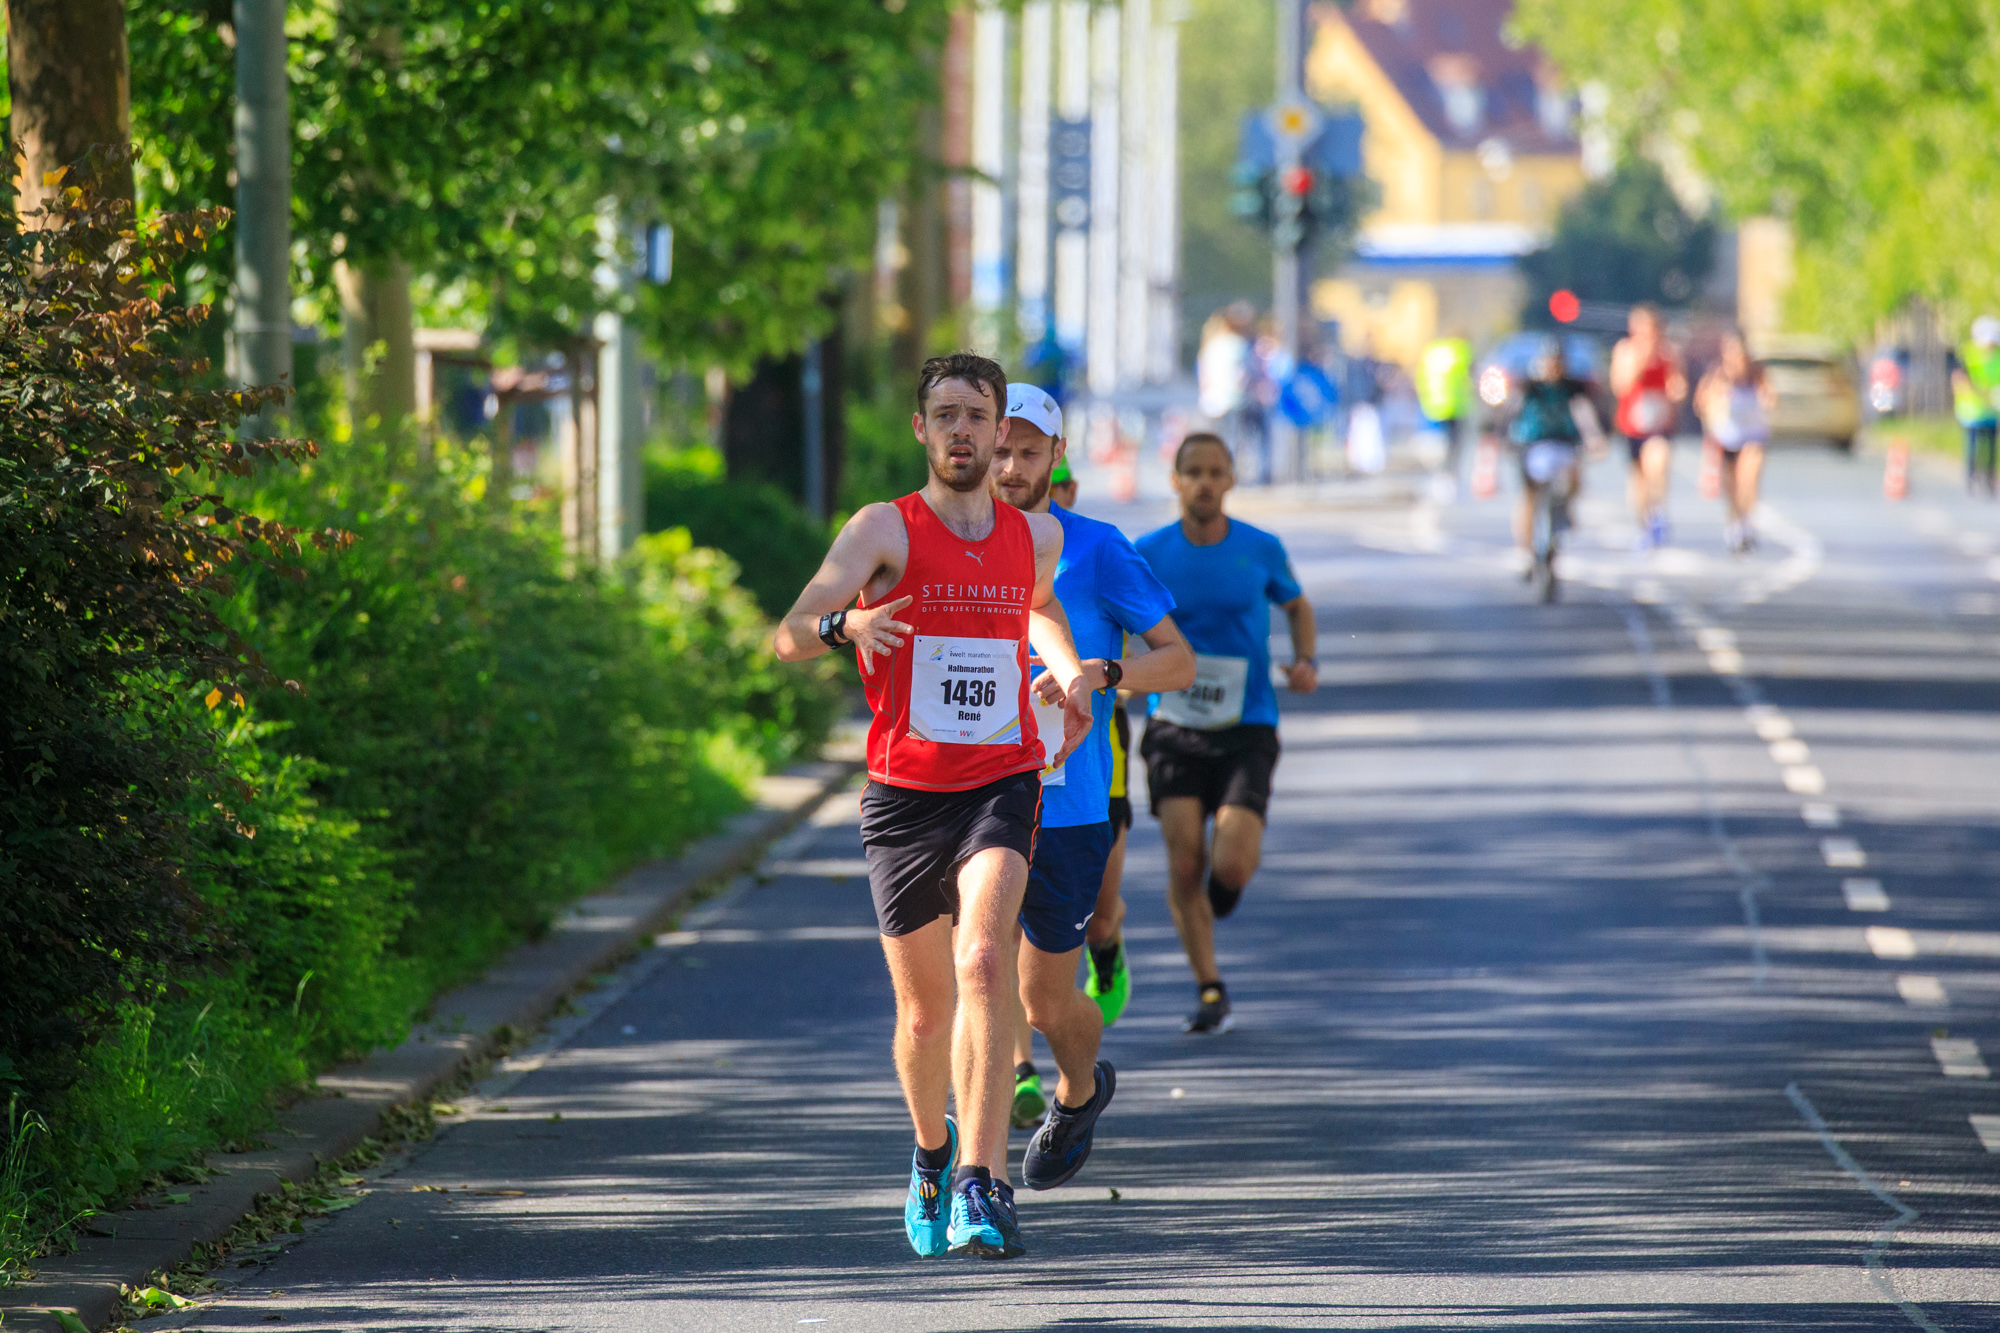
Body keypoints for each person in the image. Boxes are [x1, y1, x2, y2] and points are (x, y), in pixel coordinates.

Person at [772, 353, 1093, 1262]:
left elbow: (1034, 613)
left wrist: (1066, 677)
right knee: (922, 1015)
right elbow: (789, 631)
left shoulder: (1035, 538)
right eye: (944, 414)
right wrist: (848, 626)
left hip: (1001, 779)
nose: (961, 430)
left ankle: (982, 1184)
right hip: (905, 795)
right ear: (921, 429)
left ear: (1002, 433)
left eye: (976, 415)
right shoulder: (884, 528)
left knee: (987, 958)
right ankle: (930, 1148)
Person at [991, 387, 1193, 1135]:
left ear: (1058, 454)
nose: (1009, 467)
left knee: (1043, 998)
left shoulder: (1099, 547)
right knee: (980, 966)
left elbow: (1178, 661)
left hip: (1070, 800)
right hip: (970, 796)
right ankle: (982, 1166)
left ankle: (1077, 1089)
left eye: (1028, 452)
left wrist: (1106, 672)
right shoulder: (945, 542)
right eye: (999, 448)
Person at [1136, 434, 1317, 1034]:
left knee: (1231, 866)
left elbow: (1296, 605)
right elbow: (1111, 612)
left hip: (1247, 726)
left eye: (1216, 472)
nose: (1205, 483)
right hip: (1175, 725)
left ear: (1232, 480)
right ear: (1176, 481)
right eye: (1194, 472)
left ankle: (1214, 902)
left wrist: (1306, 659)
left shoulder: (1261, 548)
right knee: (1185, 864)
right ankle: (1209, 986)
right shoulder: (1149, 552)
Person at [1505, 336, 1600, 561]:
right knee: (1529, 496)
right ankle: (1525, 549)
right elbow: (1511, 410)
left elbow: (1584, 413)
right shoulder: (1529, 386)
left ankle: (1565, 510)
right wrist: (1503, 435)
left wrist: (1594, 437)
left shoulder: (1572, 386)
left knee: (1575, 476)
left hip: (1563, 442)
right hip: (1532, 444)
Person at [1609, 304, 1687, 548]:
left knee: (1659, 461)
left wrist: (1677, 392)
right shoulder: (1626, 351)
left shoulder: (1669, 352)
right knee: (1638, 480)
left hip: (1659, 424)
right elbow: (1620, 384)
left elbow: (1678, 383)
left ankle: (1658, 512)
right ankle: (1644, 524)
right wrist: (1641, 362)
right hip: (1633, 425)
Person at [1695, 330, 1775, 552]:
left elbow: (1771, 397)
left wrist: (1767, 399)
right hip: (1727, 438)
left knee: (1748, 479)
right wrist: (1715, 402)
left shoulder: (1756, 373)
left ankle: (1746, 523)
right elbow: (1700, 403)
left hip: (1753, 436)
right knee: (1732, 488)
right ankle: (1735, 522)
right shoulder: (1718, 375)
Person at [1417, 331, 1476, 494]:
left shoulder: (1432, 351)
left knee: (1437, 445)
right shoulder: (1462, 351)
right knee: (1454, 445)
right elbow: (1472, 375)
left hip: (1433, 404)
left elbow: (1421, 376)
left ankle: (1439, 477)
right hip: (1456, 405)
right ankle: (1451, 476)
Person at [1952, 316, 2000, 496]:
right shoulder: (1968, 353)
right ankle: (1971, 478)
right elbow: (1959, 379)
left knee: (1992, 447)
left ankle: (1989, 479)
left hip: (1993, 410)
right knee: (1973, 446)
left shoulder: (1998, 355)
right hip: (1972, 410)